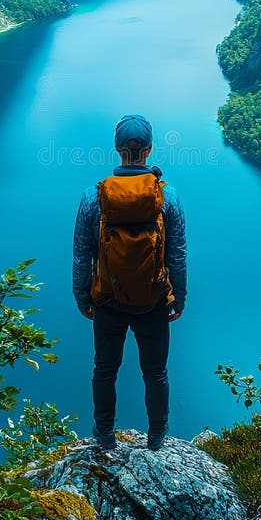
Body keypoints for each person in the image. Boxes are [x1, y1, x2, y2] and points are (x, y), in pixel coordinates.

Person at [73, 113, 187, 452]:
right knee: (155, 373)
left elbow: (82, 255)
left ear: (118, 150)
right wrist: (177, 299)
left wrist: (83, 297)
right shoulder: (168, 197)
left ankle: (105, 435)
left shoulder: (95, 197)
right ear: (149, 150)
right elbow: (177, 255)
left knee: (105, 370)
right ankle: (156, 437)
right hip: (152, 301)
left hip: (107, 300)